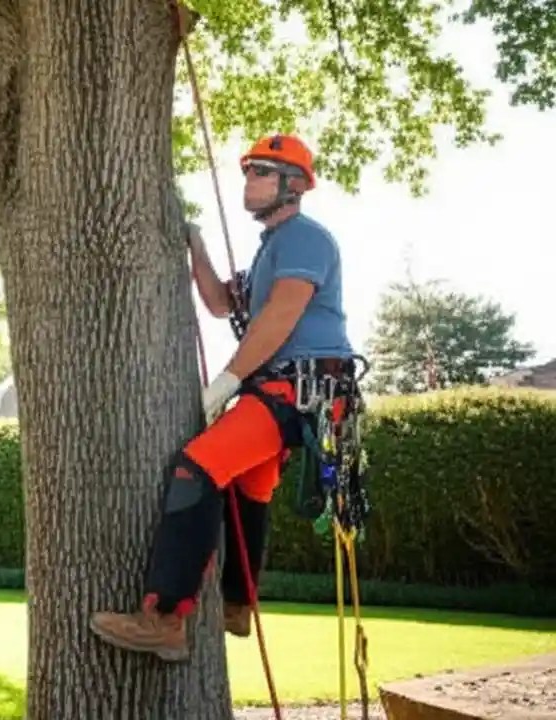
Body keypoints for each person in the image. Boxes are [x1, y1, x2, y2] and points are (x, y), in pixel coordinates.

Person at [89, 133, 356, 662]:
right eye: (249, 171)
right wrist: (194, 244)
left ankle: (163, 618)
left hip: (298, 390)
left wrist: (229, 379)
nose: (249, 181)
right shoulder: (269, 252)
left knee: (198, 466)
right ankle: (237, 603)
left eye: (262, 172)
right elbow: (218, 303)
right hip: (285, 390)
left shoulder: (305, 239)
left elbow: (279, 317)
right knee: (245, 489)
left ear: (294, 186)